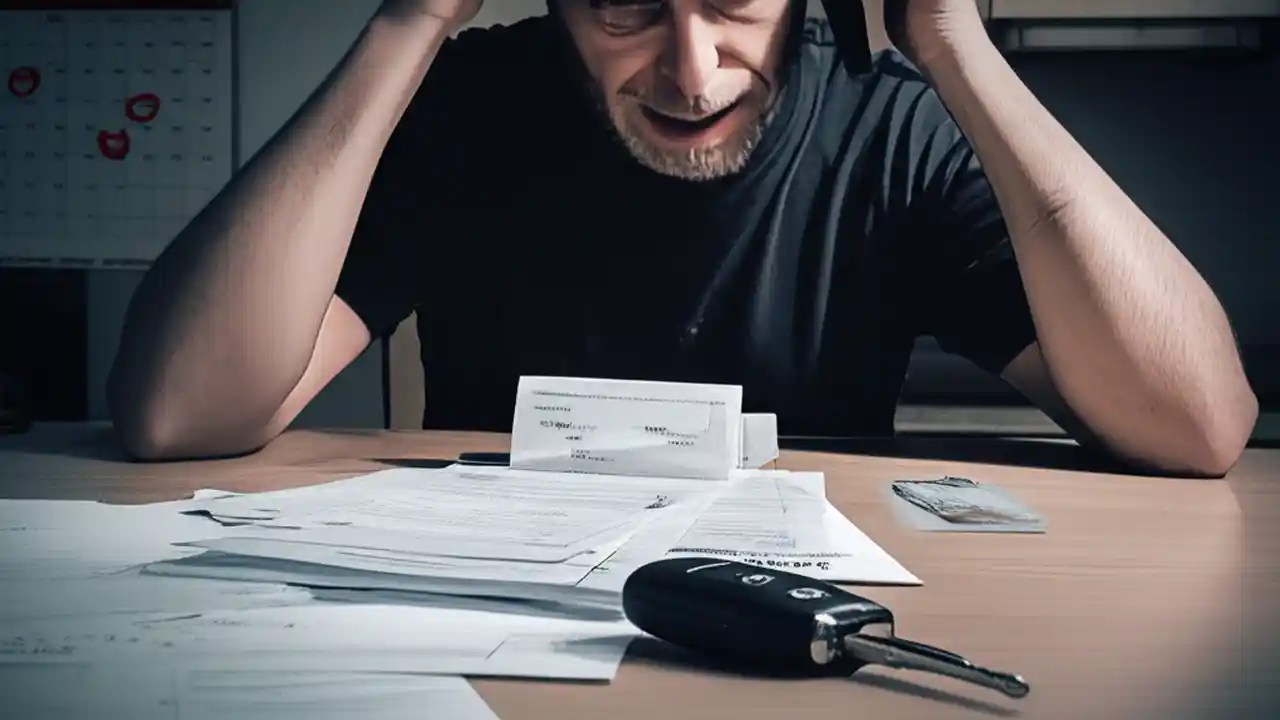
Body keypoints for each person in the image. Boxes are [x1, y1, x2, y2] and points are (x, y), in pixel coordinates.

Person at [107, 0, 1258, 476]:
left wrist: (950, 38)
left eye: (732, 0)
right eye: (624, 4)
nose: (690, 71)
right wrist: (409, 21)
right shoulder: (475, 108)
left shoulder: (887, 120)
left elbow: (1198, 425)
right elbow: (179, 414)